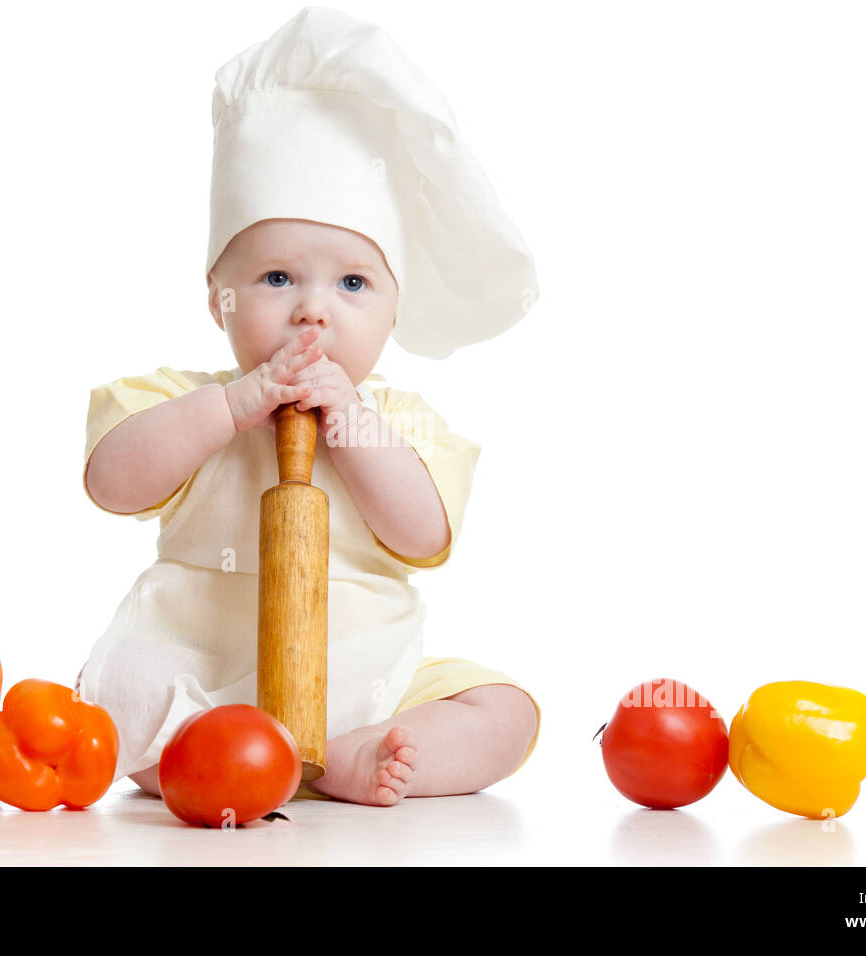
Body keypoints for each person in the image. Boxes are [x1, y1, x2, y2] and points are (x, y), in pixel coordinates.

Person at [77, 7, 541, 806]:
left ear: (395, 310)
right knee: (114, 696)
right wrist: (231, 408)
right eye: (278, 277)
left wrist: (351, 423)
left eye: (353, 283)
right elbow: (111, 481)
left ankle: (357, 754)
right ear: (218, 301)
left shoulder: (403, 425)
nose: (312, 311)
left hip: (367, 673)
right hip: (204, 671)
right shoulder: (181, 400)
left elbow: (424, 533)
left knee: (507, 712)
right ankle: (226, 762)